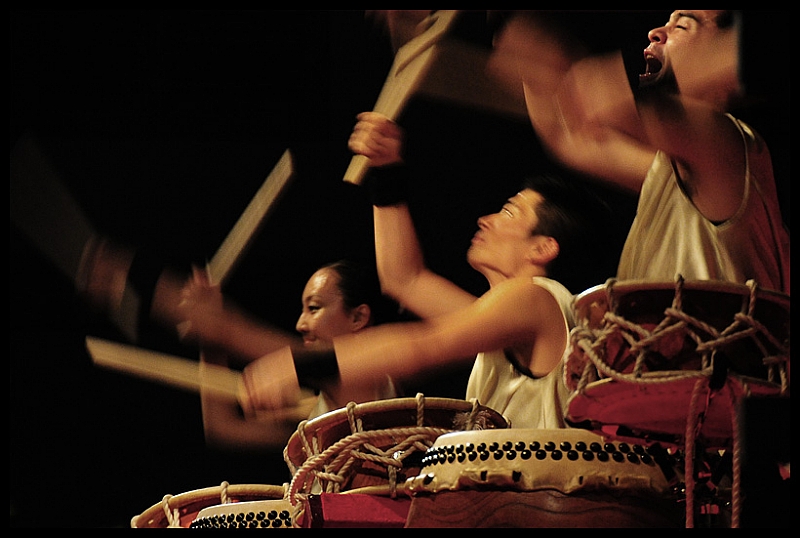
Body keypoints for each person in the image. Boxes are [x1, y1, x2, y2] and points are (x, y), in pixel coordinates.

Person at [231, 115, 604, 429]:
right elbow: (403, 279)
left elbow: (425, 344)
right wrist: (385, 170)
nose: (486, 219)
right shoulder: (503, 321)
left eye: (508, 213)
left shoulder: (535, 296)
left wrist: (302, 365)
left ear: (543, 247)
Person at [490, 10, 790, 294]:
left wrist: (564, 70)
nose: (655, 33)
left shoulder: (729, 145)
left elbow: (614, 101)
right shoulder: (672, 171)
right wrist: (525, 55)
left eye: (682, 25)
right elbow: (569, 137)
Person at [178, 259, 400, 450]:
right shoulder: (316, 410)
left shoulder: (372, 385)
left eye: (313, 308)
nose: (300, 324)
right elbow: (224, 427)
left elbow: (309, 362)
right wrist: (210, 343)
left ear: (357, 318)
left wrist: (217, 327)